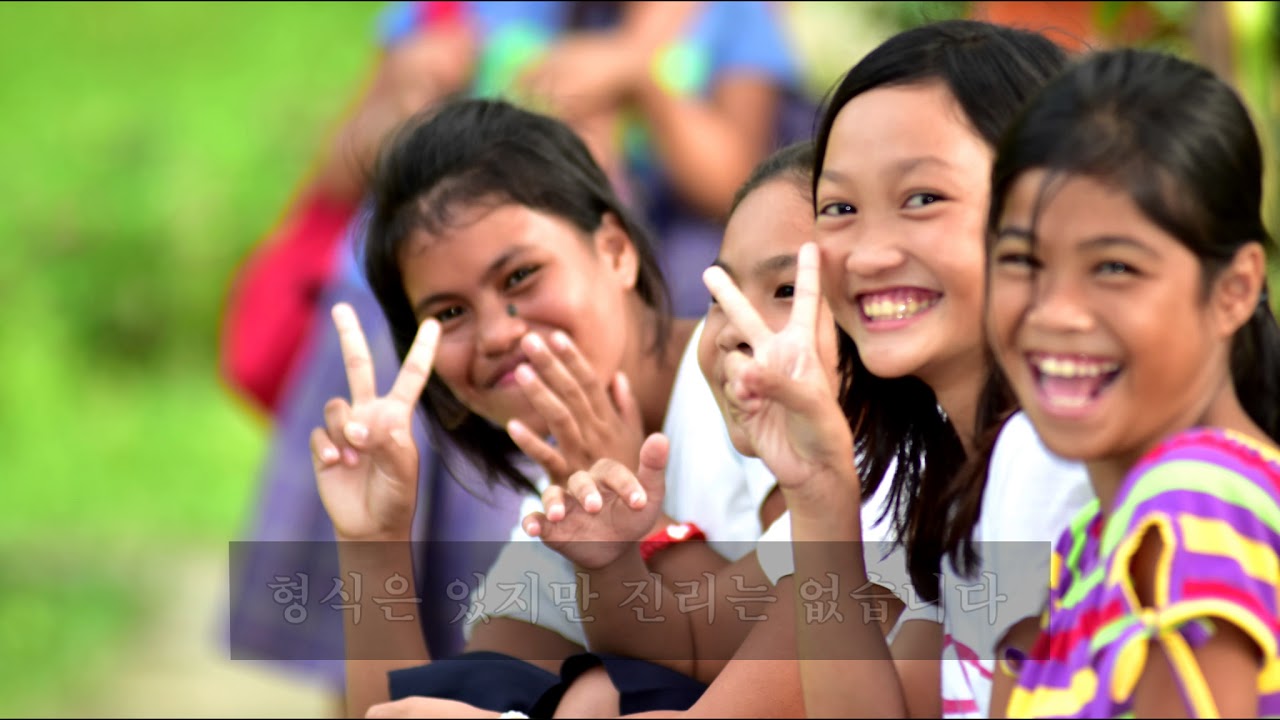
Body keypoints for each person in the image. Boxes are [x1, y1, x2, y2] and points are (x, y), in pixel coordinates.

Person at [366, 20, 1087, 720]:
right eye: (841, 209)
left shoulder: (1004, 463)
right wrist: (372, 542)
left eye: (922, 199)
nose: (498, 333)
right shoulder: (937, 488)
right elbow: (435, 695)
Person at [224, 0, 805, 698]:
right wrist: (375, 547)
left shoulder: (759, 387)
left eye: (521, 276)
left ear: (616, 250)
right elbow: (430, 713)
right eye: (448, 313)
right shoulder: (559, 496)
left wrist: (639, 538)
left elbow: (816, 650)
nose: (497, 332)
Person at [699, 18, 1092, 719]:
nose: (871, 253)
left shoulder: (1057, 459)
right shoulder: (957, 480)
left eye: (921, 198)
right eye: (840, 208)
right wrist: (819, 493)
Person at [979, 48, 1280, 718]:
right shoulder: (1093, 538)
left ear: (1235, 289)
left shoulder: (1193, 506)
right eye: (1023, 260)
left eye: (1114, 267)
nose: (1055, 311)